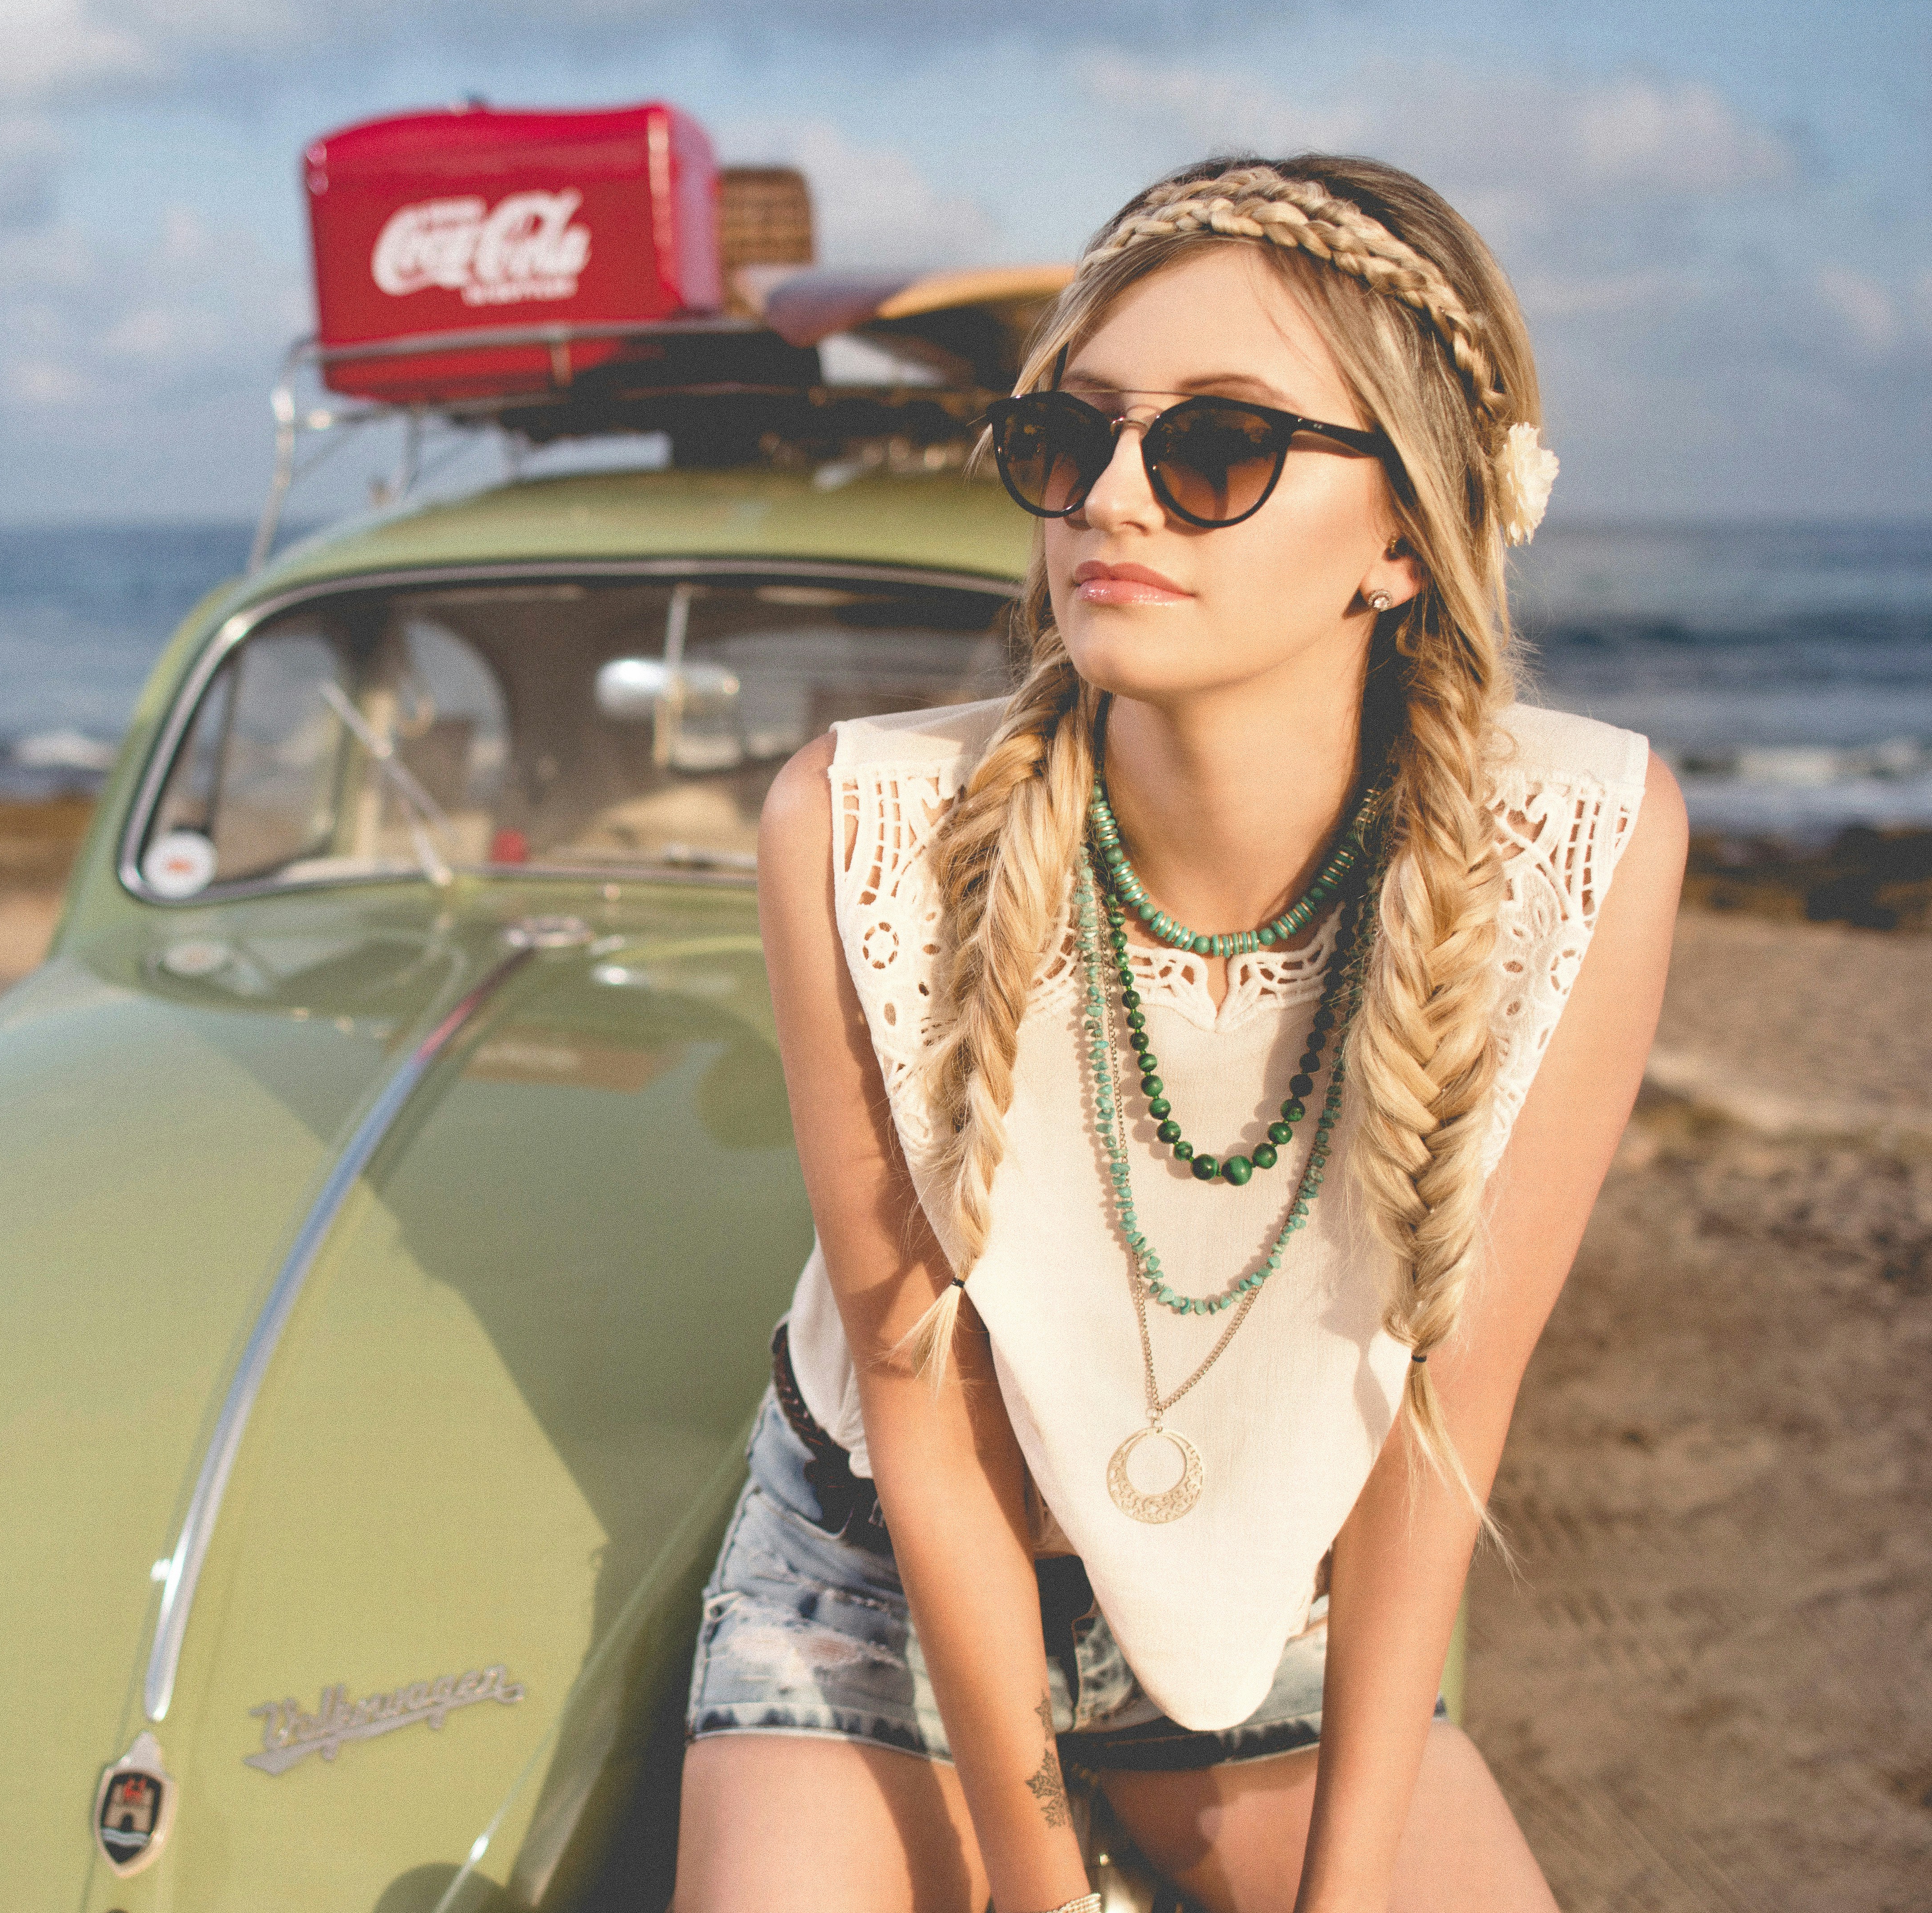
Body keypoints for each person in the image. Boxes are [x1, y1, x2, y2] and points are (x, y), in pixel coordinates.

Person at [670, 153, 1686, 1913]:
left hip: (1262, 1588)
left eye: (1214, 447)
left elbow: (1450, 1423)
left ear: (1398, 534)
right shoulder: (861, 827)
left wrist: (1342, 1892)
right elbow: (930, 1425)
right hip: (880, 1576)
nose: (1110, 499)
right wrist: (1038, 1886)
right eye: (1069, 439)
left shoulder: (1581, 840)